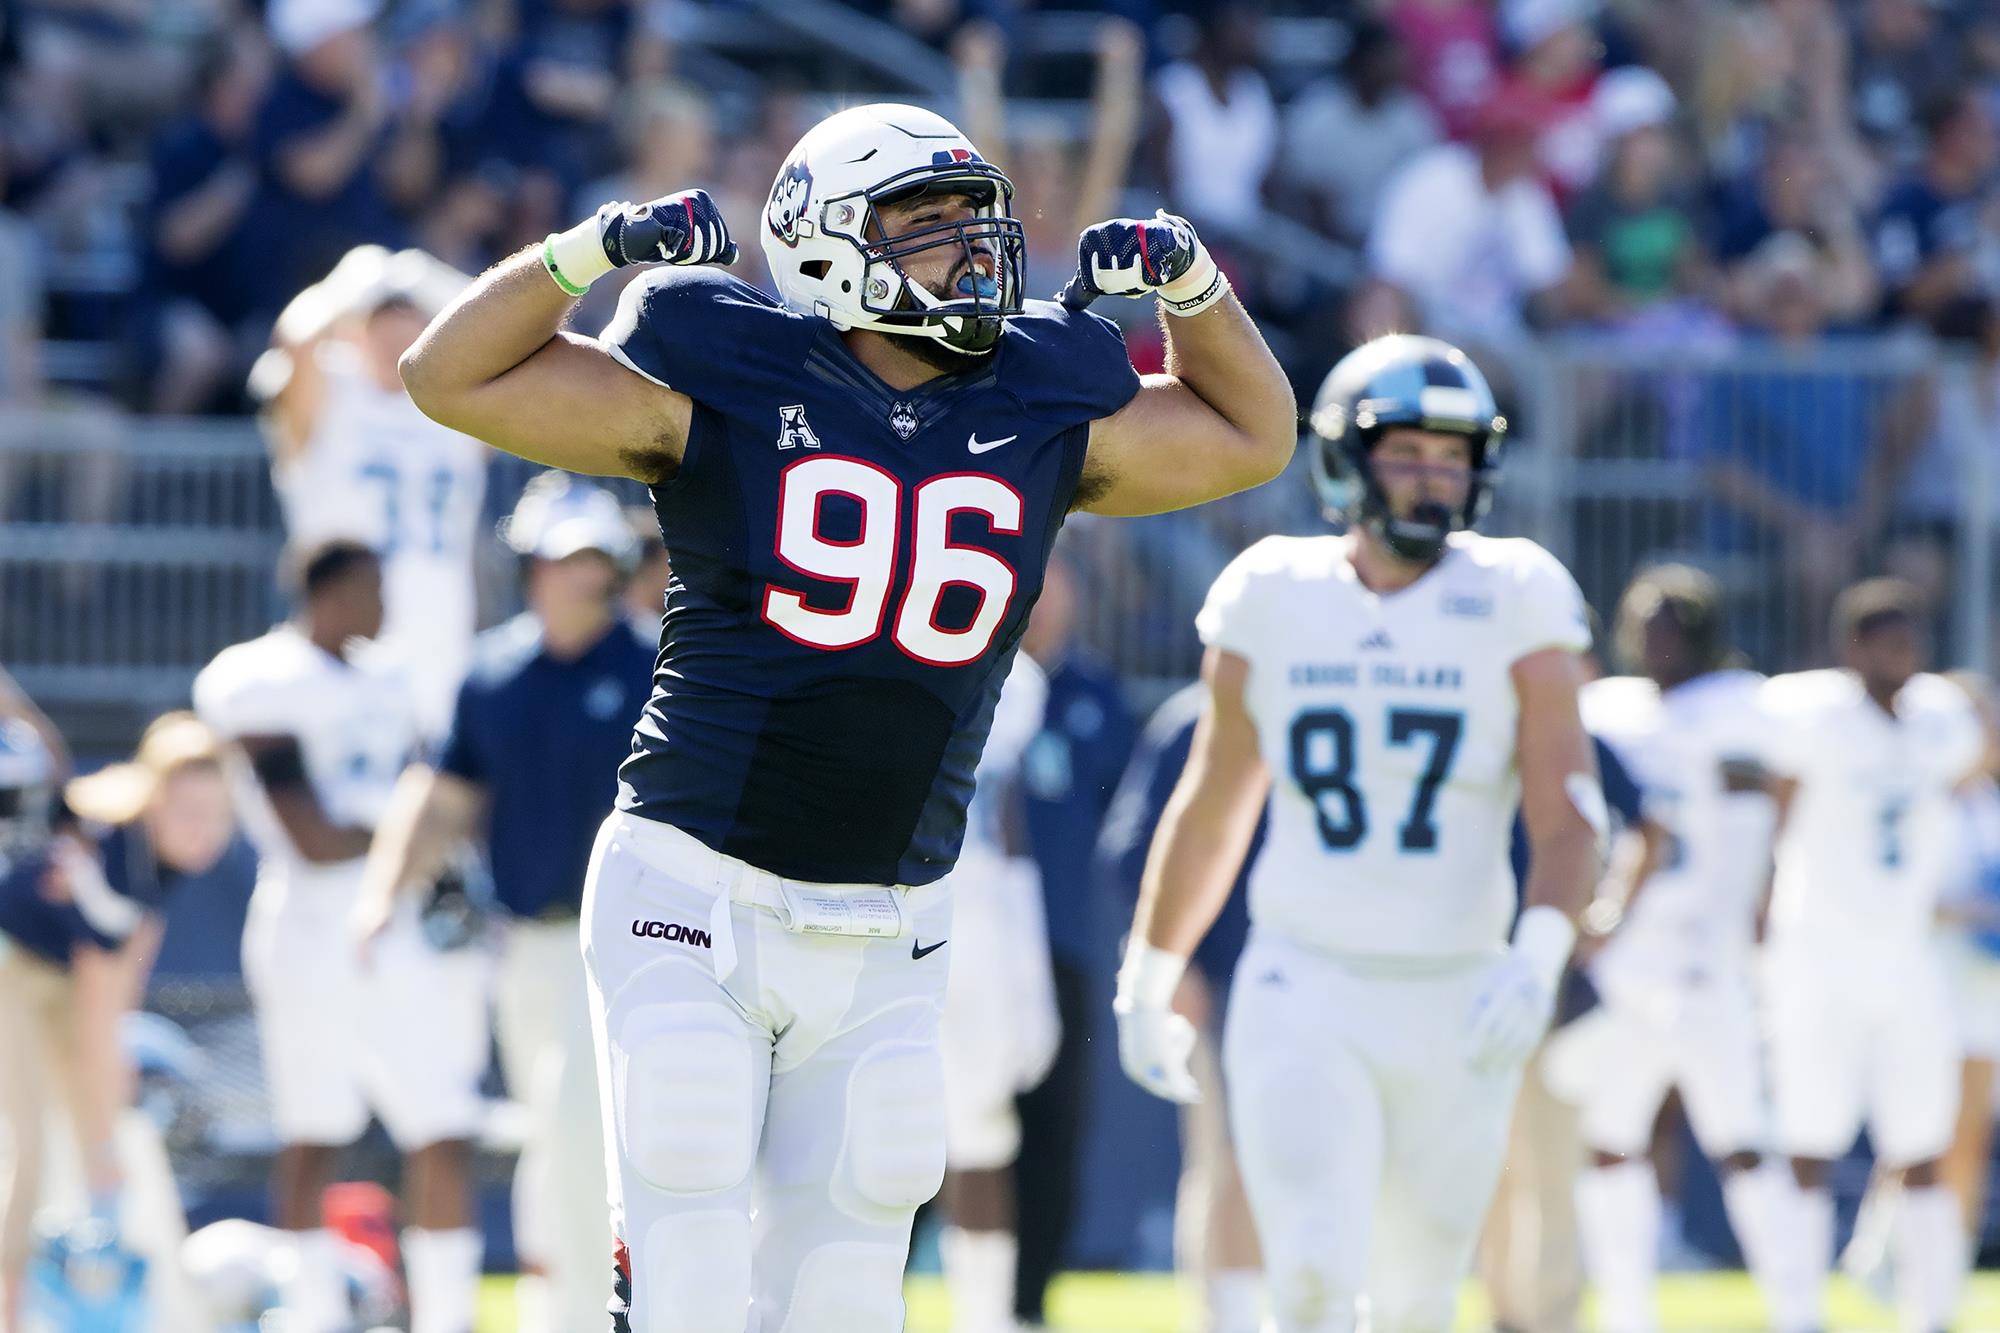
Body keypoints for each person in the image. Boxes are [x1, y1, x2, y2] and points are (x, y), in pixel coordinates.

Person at [396, 100, 1295, 1331]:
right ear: (824, 243)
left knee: (843, 1288)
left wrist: (1191, 287)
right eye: (924, 225)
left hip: (892, 912)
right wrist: (590, 249)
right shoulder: (724, 378)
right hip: (689, 885)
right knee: (688, 1266)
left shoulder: (1040, 405)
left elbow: (1256, 432)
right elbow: (443, 373)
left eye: (975, 222)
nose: (971, 251)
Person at [1114, 334, 1602, 1333]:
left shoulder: (1515, 592)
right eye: (1407, 451)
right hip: (1305, 981)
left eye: (1451, 454)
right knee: (1309, 1277)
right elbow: (1214, 801)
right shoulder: (1274, 591)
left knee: (1418, 1298)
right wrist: (1148, 967)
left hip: (1457, 988)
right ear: (1346, 456)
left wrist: (1538, 953)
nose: (1432, 477)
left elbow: (1569, 812)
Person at [352, 474, 656, 1333]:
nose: (582, 576)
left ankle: (585, 1313)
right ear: (531, 567)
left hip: (634, 942)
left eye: (597, 559)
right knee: (548, 1136)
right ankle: (559, 1304)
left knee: (577, 1131)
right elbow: (442, 797)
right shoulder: (492, 674)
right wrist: (384, 892)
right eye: (565, 560)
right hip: (526, 945)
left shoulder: (654, 665)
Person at [193, 540, 489, 1333]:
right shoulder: (258, 677)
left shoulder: (394, 677)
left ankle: (448, 1318)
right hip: (311, 926)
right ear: (327, 593)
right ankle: (316, 1314)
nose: (385, 606)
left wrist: (416, 841)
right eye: (370, 589)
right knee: (314, 1133)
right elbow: (314, 835)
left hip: (402, 929)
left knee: (443, 1124)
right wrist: (411, 837)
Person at [1543, 566, 1791, 1333]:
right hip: (1627, 960)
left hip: (1711, 956)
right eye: (1650, 628)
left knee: (1744, 1141)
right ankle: (1627, 1312)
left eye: (1677, 627)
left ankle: (1797, 1308)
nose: (1660, 643)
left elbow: (1789, 798)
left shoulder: (1747, 708)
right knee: (1609, 1139)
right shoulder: (1610, 710)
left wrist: (1765, 902)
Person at [1756, 578, 1985, 1333]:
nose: (1902, 652)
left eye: (1910, 638)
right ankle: (1799, 1313)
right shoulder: (1812, 714)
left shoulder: (1941, 719)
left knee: (1921, 1143)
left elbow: (1964, 779)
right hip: (1818, 953)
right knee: (1808, 1141)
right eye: (1885, 638)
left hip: (1906, 952)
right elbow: (1776, 807)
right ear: (1850, 647)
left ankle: (1932, 1313)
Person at [0, 710, 234, 1328]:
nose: (203, 830)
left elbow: (121, 986)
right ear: (152, 798)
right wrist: (102, 1132)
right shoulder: (115, 854)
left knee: (99, 1151)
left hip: (58, 981)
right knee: (30, 1146)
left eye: (216, 815)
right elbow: (102, 1009)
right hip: (12, 971)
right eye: (187, 812)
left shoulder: (157, 863)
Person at [253, 243, 489, 736]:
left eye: (409, 317)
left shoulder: (452, 404)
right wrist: (353, 279)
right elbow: (294, 337)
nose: (395, 333)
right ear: (353, 328)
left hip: (440, 631)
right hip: (344, 637)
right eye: (380, 317)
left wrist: (425, 276)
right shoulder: (333, 393)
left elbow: (515, 333)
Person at [1098, 682, 1261, 1333]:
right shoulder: (1193, 718)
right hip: (1222, 977)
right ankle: (1231, 1317)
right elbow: (1133, 848)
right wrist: (1175, 961)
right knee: (1228, 1156)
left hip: (1322, 973)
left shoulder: (1332, 692)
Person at [1013, 546, 1136, 1330]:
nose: (1044, 593)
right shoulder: (962, 677)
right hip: (954, 942)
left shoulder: (1097, 695)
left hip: (1062, 945)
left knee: (1052, 1130)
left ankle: (1026, 1305)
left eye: (1060, 575)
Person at [937, 655, 1060, 1333]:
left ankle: (985, 1318)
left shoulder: (1020, 681)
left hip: (979, 912)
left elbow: (1008, 823)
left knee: (982, 1133)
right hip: (880, 897)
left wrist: (1025, 954)